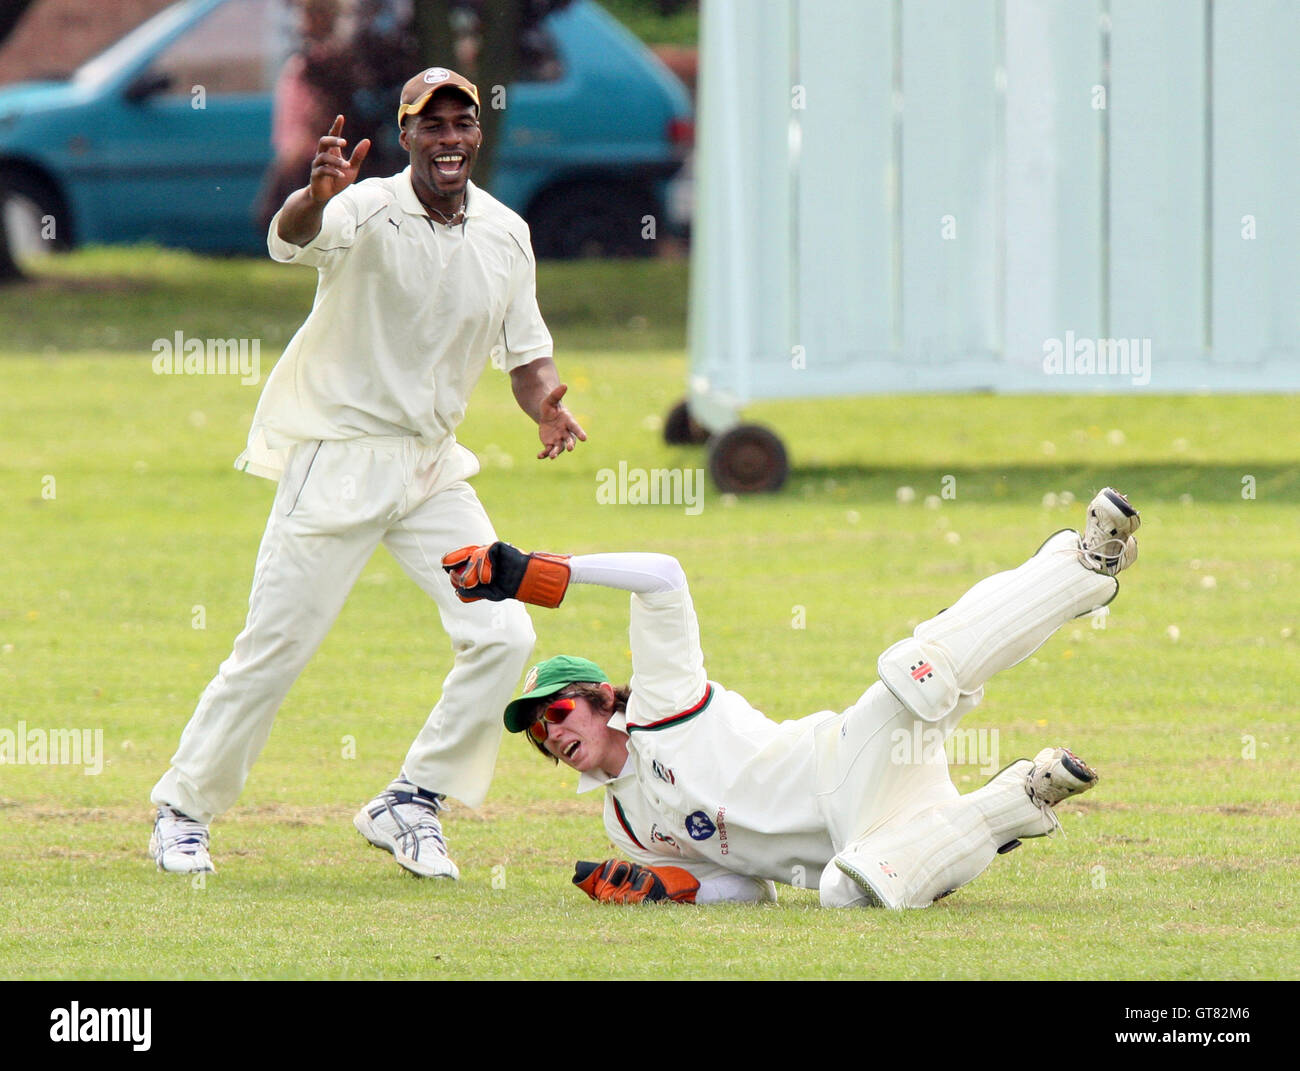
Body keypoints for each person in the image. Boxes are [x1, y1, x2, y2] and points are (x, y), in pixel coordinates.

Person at [149, 66, 586, 880]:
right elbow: (293, 239)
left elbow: (527, 355)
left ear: (476, 136)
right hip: (340, 457)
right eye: (432, 125)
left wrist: (546, 406)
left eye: (462, 124)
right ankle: (183, 809)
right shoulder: (363, 205)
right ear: (407, 133)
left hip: (431, 471)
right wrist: (314, 193)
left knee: (505, 630)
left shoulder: (505, 232)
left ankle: (412, 799)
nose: (449, 138)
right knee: (275, 648)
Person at [444, 488, 1140, 907]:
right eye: (537, 734)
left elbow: (661, 576)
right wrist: (667, 890)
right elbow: (749, 887)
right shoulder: (623, 828)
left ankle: (1081, 567)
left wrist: (533, 573)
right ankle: (1017, 799)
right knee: (851, 890)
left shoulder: (661, 700)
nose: (551, 734)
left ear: (599, 700)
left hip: (848, 760)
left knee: (914, 668)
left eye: (558, 711)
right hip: (862, 837)